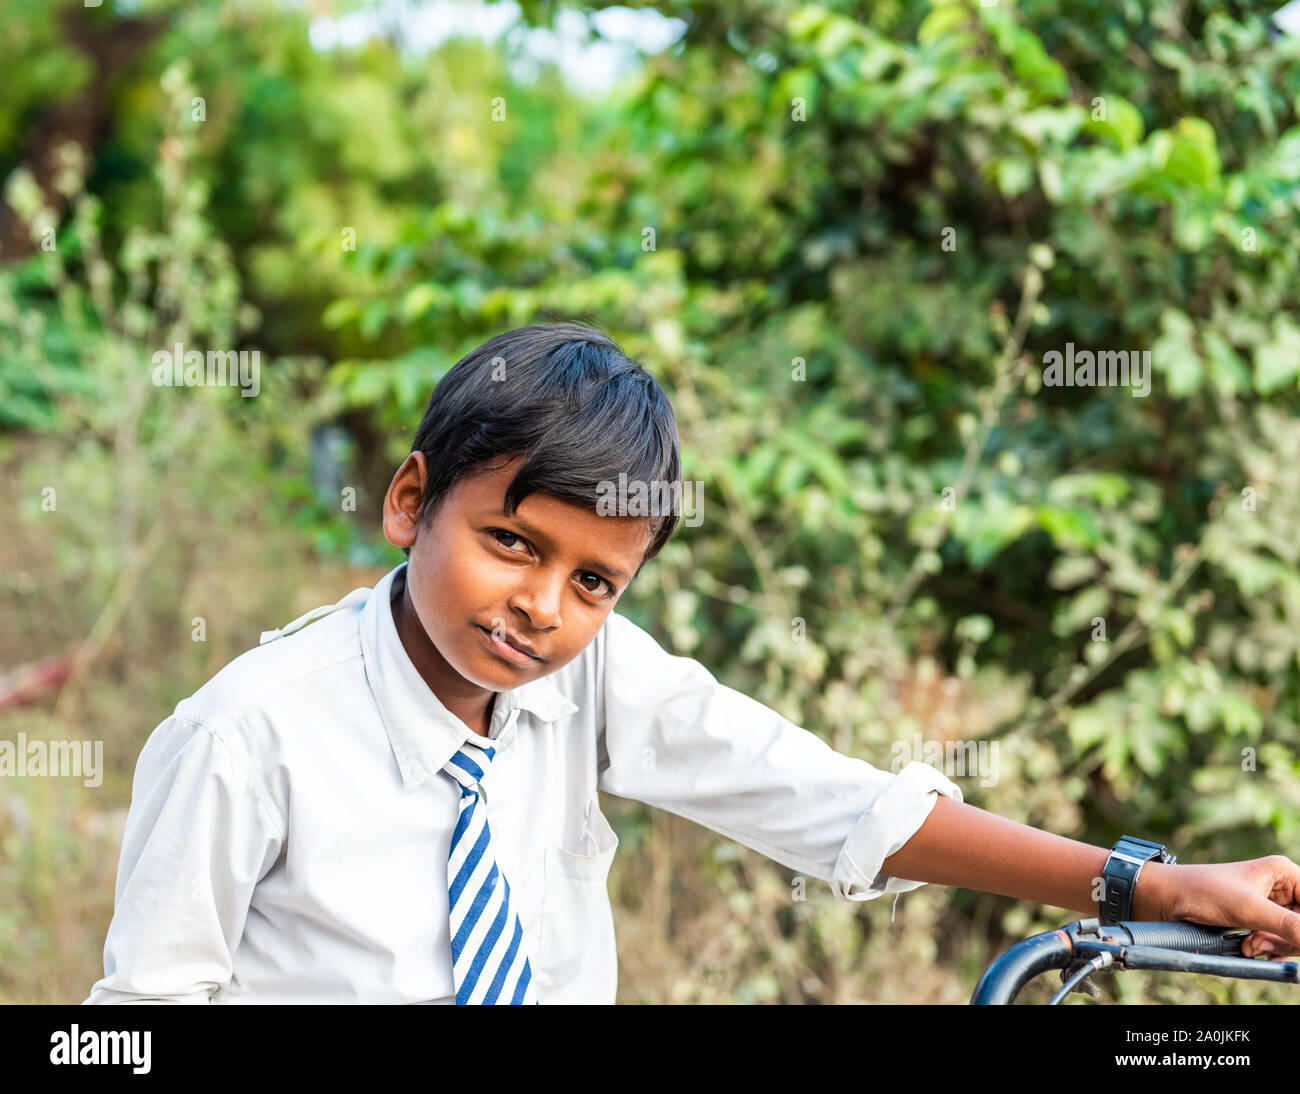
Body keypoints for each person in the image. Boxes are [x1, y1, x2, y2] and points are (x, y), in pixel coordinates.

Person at [84, 321, 1300, 1004]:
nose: (539, 608)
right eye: (510, 541)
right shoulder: (247, 734)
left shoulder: (590, 673)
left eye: (593, 580)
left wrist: (1147, 885)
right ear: (411, 501)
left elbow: (835, 804)